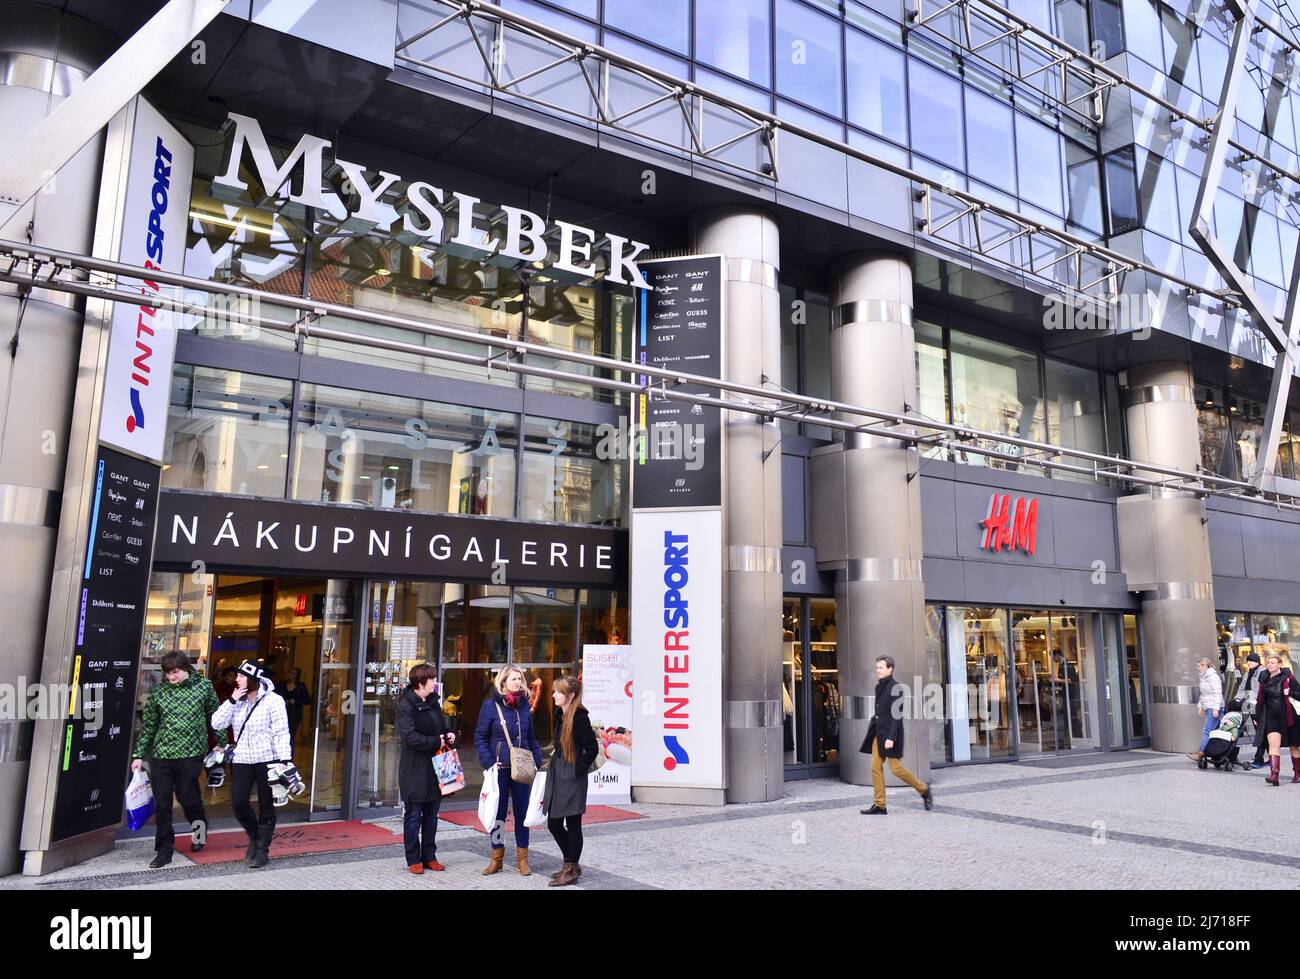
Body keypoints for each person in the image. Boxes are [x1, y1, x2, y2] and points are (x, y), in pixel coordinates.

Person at [131, 652, 225, 868]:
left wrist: (220, 744)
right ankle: (164, 850)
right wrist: (138, 754)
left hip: (191, 754)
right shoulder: (159, 692)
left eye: (175, 672)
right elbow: (150, 726)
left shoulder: (204, 687)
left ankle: (200, 831)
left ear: (186, 669)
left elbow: (216, 716)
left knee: (188, 798)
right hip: (162, 754)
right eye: (167, 673)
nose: (170, 677)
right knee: (163, 803)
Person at [210, 660, 293, 868]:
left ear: (253, 679)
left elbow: (281, 732)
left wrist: (285, 760)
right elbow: (216, 723)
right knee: (238, 802)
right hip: (242, 758)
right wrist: (231, 701)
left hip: (268, 759)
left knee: (266, 805)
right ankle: (254, 836)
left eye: (240, 676)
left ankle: (262, 850)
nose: (236, 679)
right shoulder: (236, 700)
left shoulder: (273, 701)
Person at [474, 664, 543, 876]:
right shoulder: (490, 706)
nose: (518, 682)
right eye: (514, 679)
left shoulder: (524, 706)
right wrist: (488, 762)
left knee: (523, 813)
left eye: (520, 679)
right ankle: (497, 857)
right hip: (500, 769)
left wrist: (537, 759)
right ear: (503, 681)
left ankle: (523, 859)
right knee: (498, 814)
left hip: (522, 769)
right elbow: (480, 737)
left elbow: (531, 737)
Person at [396, 663, 456, 874]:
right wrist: (435, 742)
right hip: (414, 770)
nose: (435, 682)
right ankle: (413, 859)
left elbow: (440, 726)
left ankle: (429, 856)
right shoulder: (406, 705)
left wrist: (449, 734)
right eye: (432, 679)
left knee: (432, 815)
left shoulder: (433, 702)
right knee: (413, 816)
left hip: (435, 769)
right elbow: (409, 737)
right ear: (422, 682)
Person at [859, 655, 933, 815]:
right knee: (875, 767)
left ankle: (924, 789)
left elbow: (896, 716)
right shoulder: (879, 687)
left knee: (896, 769)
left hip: (891, 736)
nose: (877, 670)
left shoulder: (897, 688)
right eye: (877, 667)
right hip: (878, 733)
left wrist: (891, 738)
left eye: (881, 667)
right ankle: (880, 805)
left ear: (890, 669)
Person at [543, 675, 599, 887]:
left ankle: (570, 867)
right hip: (558, 773)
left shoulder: (579, 717)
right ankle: (571, 862)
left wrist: (578, 769)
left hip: (572, 776)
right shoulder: (562, 714)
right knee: (554, 822)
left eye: (558, 691)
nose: (554, 694)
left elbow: (592, 747)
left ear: (571, 695)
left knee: (573, 822)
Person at [1254, 653, 1300, 786]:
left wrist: (1290, 692)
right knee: (1273, 745)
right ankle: (1274, 775)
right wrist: (1257, 716)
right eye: (1268, 663)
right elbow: (1260, 700)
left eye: (1273, 663)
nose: (1270, 665)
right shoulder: (1264, 679)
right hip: (1271, 716)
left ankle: (1297, 773)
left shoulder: (1288, 677)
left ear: (1279, 664)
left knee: (1294, 746)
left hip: (1289, 715)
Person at [1187, 657, 1224, 762]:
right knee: (1212, 731)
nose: (1198, 668)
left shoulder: (1213, 677)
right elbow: (1203, 695)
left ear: (1205, 666)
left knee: (1207, 731)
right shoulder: (1204, 677)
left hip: (1214, 707)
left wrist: (1216, 709)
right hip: (1209, 706)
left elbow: (1217, 693)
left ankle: (1201, 753)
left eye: (1199, 666)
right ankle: (1210, 752)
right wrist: (1200, 707)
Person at [1237, 652, 1266, 770]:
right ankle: (1270, 756)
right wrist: (1237, 699)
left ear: (1257, 662)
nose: (1248, 663)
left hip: (1259, 705)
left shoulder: (1263, 672)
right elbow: (1242, 688)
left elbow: (1263, 690)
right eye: (1247, 660)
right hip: (1249, 704)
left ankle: (1259, 758)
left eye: (1251, 661)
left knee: (1261, 731)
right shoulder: (1248, 673)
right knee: (1261, 731)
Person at [283, 667, 313, 749]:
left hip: (294, 714)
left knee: (291, 734)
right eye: (291, 673)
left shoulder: (300, 686)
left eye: (294, 674)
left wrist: (295, 701)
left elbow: (308, 700)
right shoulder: (282, 685)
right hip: (283, 712)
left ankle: (290, 753)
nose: (292, 676)